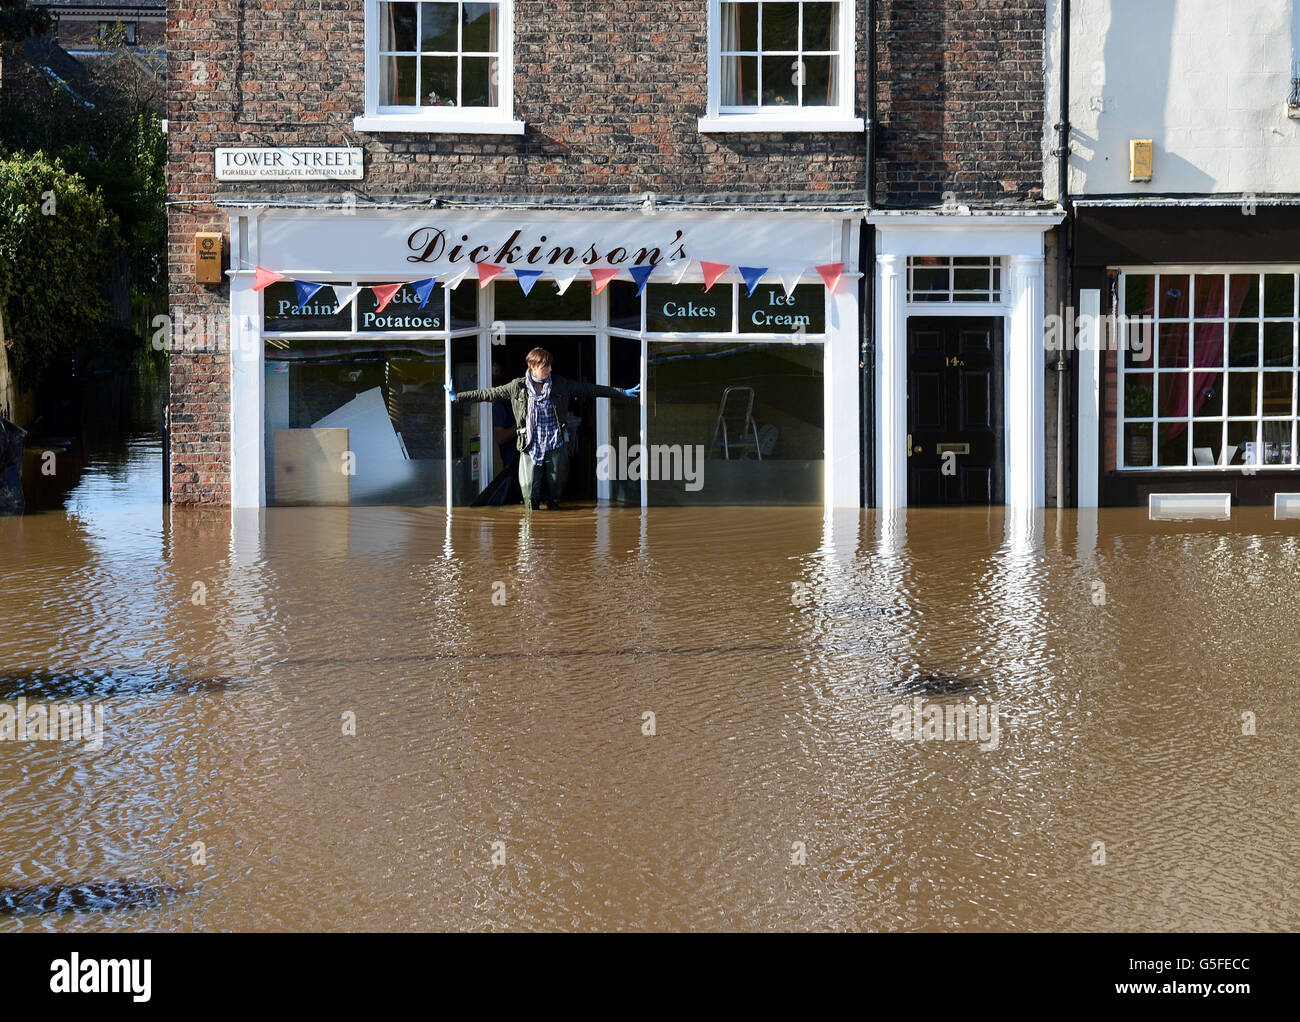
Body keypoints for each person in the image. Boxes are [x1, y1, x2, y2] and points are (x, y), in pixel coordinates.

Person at [446, 347, 640, 510]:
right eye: (545, 365)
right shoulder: (517, 387)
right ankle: (532, 533)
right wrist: (458, 397)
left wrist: (621, 392)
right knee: (530, 492)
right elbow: (488, 394)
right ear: (532, 366)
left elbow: (589, 389)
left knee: (556, 489)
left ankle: (554, 522)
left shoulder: (559, 384)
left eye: (549, 365)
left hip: (555, 444)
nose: (549, 368)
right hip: (530, 446)